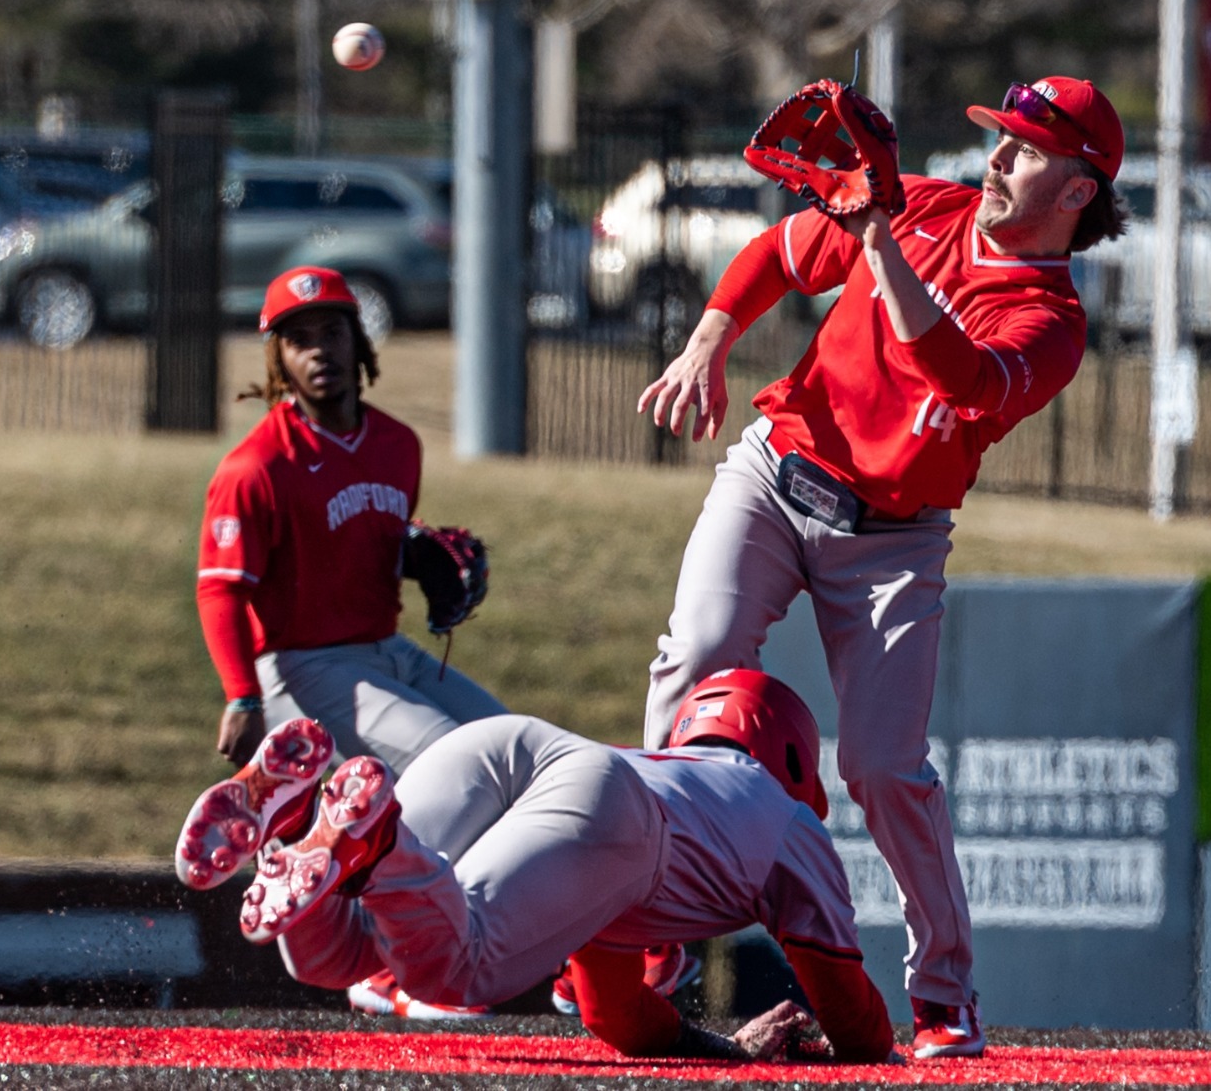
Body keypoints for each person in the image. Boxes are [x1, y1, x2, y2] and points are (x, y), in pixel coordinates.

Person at [632, 76, 1129, 1059]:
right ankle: (654, 933)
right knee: (690, 665)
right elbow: (777, 254)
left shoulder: (1052, 321)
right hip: (779, 474)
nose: (995, 159)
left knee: (883, 769)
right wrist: (706, 342)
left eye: (1023, 151)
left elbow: (959, 373)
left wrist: (876, 238)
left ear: (1076, 192)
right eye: (998, 139)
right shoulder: (927, 207)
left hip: (893, 539)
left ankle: (945, 995)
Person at [218, 670, 900, 1064]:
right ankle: (383, 842)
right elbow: (852, 1018)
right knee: (450, 968)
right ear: (791, 759)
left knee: (341, 949)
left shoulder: (675, 778)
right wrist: (770, 1048)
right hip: (612, 806)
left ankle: (290, 828)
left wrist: (714, 1046)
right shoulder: (790, 822)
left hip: (521, 744)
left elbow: (614, 1011)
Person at [179, 264, 507, 1015]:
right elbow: (219, 586)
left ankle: (451, 925)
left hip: (384, 649)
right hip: (301, 662)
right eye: (298, 339)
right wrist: (238, 691)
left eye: (331, 331)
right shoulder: (255, 466)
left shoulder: (398, 444)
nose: (318, 349)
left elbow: (369, 545)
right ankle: (389, 963)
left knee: (511, 747)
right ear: (279, 361)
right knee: (450, 766)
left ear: (359, 341)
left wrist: (423, 556)